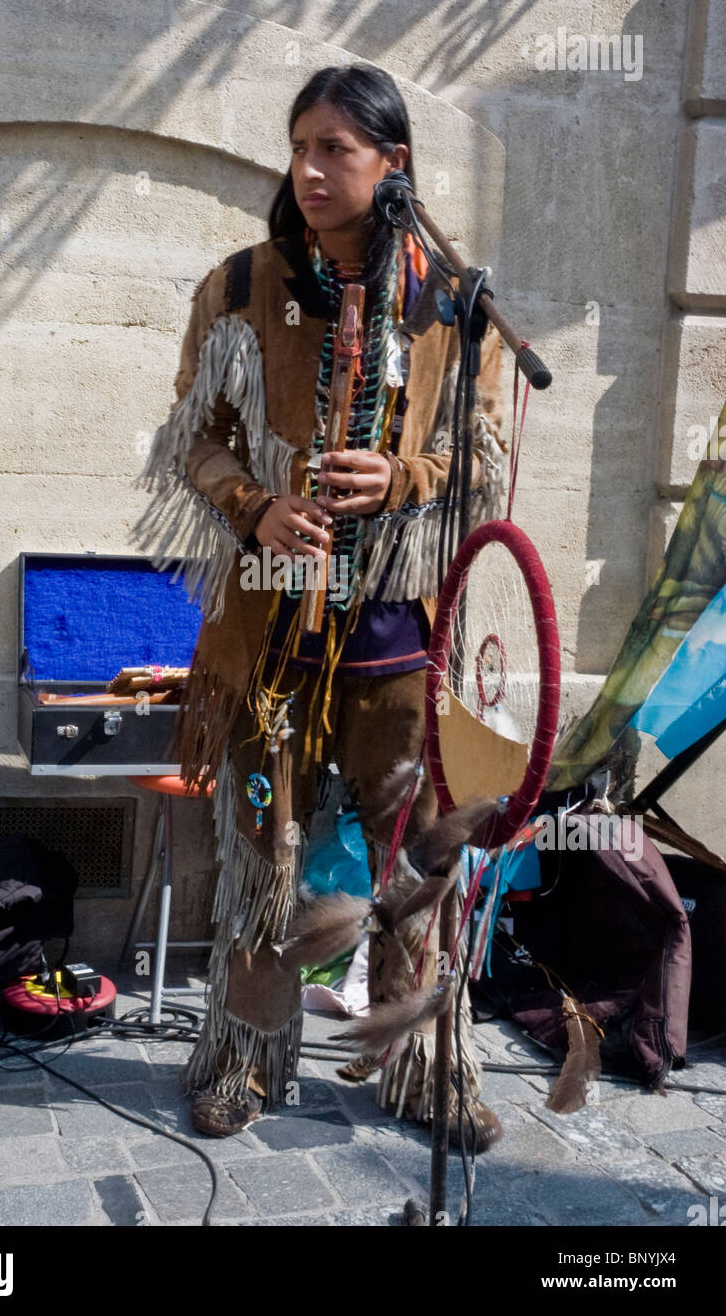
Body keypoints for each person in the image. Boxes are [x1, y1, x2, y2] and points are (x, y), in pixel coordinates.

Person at [133, 63, 507, 1144]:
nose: (306, 169)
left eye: (335, 149)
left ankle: (424, 1068)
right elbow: (191, 442)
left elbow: (475, 462)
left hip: (395, 636)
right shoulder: (241, 286)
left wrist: (405, 482)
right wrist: (252, 508)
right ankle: (247, 1057)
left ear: (395, 167)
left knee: (418, 861)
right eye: (299, 145)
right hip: (268, 633)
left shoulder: (450, 303)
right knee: (263, 853)